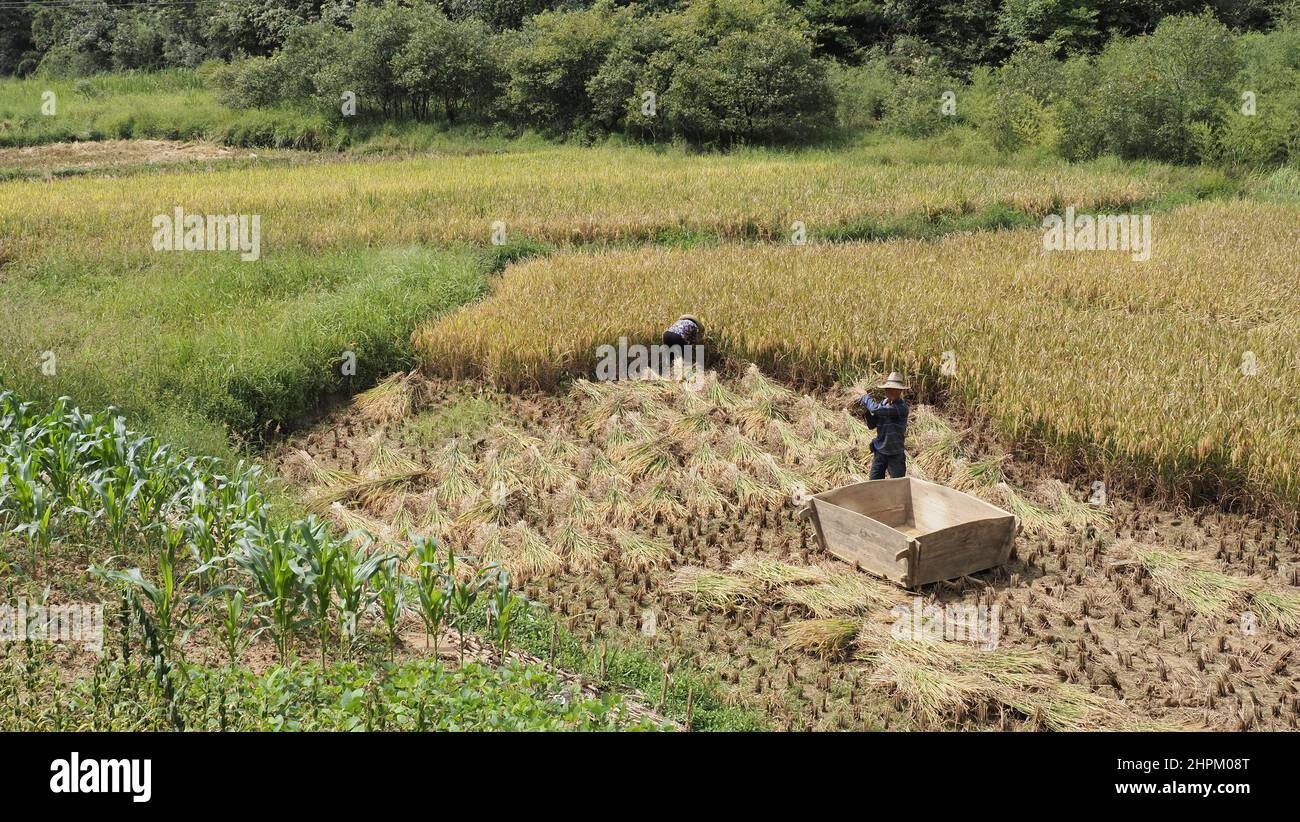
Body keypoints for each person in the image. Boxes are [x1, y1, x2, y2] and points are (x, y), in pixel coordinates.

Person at [858, 372, 910, 479]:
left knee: (897, 486)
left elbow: (875, 409)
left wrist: (865, 396)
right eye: (888, 388)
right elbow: (872, 425)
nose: (890, 391)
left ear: (900, 391)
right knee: (874, 484)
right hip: (880, 451)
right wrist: (865, 411)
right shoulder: (883, 403)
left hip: (895, 454)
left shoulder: (901, 407)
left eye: (894, 389)